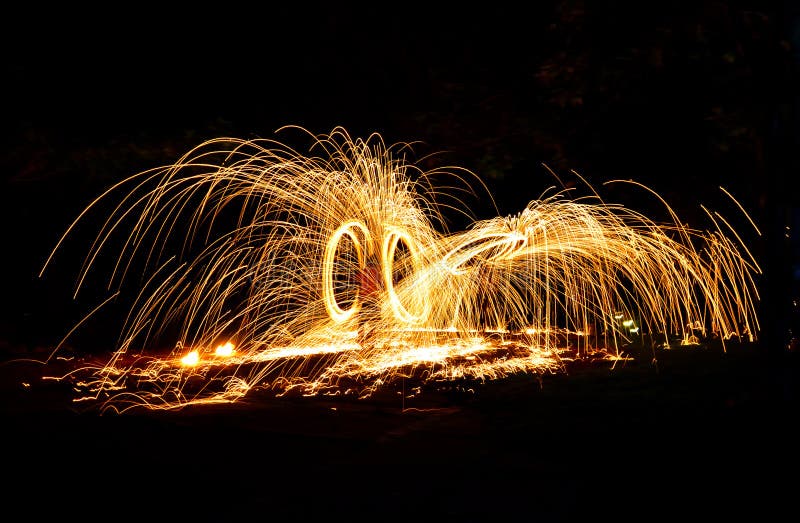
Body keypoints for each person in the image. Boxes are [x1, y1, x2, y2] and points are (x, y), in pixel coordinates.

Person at [357, 255, 382, 346]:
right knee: (374, 321)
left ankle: (361, 339)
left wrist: (359, 299)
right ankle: (371, 338)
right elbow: (380, 286)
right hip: (374, 299)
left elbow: (359, 286)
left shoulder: (363, 272)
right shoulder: (377, 272)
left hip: (365, 299)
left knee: (362, 321)